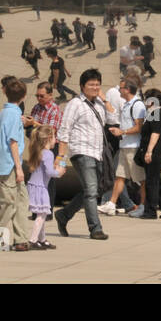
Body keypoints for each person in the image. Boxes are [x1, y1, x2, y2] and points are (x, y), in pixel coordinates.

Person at [55, 68, 114, 240]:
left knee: (95, 190)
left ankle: (64, 215)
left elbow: (113, 119)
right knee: (90, 190)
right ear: (82, 86)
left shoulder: (99, 104)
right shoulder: (75, 104)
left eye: (97, 85)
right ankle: (95, 228)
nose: (95, 87)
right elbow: (64, 130)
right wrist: (61, 158)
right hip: (81, 151)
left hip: (98, 152)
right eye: (91, 85)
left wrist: (104, 99)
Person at [0, 77, 31, 251]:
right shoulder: (13, 114)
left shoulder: (7, 112)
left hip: (7, 163)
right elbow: (13, 142)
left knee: (21, 200)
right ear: (24, 96)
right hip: (10, 164)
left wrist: (21, 122)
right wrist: (19, 168)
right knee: (9, 203)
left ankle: (21, 239)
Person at [101, 77, 146, 216]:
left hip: (134, 147)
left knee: (141, 179)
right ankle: (111, 204)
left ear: (127, 90)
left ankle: (143, 207)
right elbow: (114, 114)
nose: (118, 90)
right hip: (125, 146)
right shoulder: (127, 104)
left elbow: (139, 127)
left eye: (120, 88)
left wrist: (123, 132)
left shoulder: (137, 105)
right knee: (119, 176)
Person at [136, 88, 161, 219]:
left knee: (151, 182)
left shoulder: (157, 113)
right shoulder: (153, 113)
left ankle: (151, 211)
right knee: (156, 180)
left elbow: (155, 133)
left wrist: (149, 152)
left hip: (158, 152)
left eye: (146, 98)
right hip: (157, 151)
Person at [25, 123, 65, 248]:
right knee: (42, 215)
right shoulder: (48, 153)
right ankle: (33, 240)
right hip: (40, 188)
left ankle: (42, 239)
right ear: (48, 139)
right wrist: (59, 172)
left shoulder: (39, 151)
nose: (56, 140)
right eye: (54, 137)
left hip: (35, 186)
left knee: (41, 213)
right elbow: (49, 172)